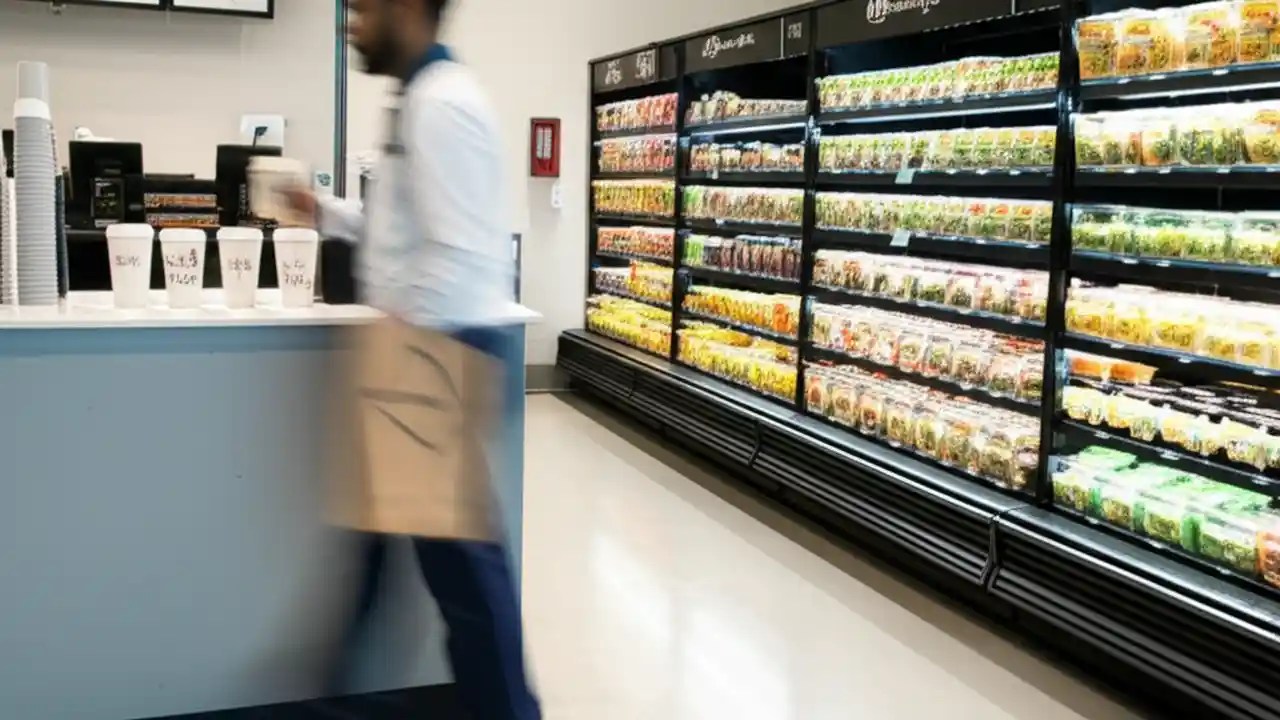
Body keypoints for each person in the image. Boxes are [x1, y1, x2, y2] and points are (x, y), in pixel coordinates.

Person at [285, 1, 540, 718]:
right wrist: (325, 211)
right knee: (399, 553)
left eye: (362, 9)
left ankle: (509, 709)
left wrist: (401, 350)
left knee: (462, 571)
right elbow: (402, 231)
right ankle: (336, 688)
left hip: (433, 351)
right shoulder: (416, 100)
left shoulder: (444, 106)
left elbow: (457, 250)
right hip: (419, 351)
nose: (351, 24)